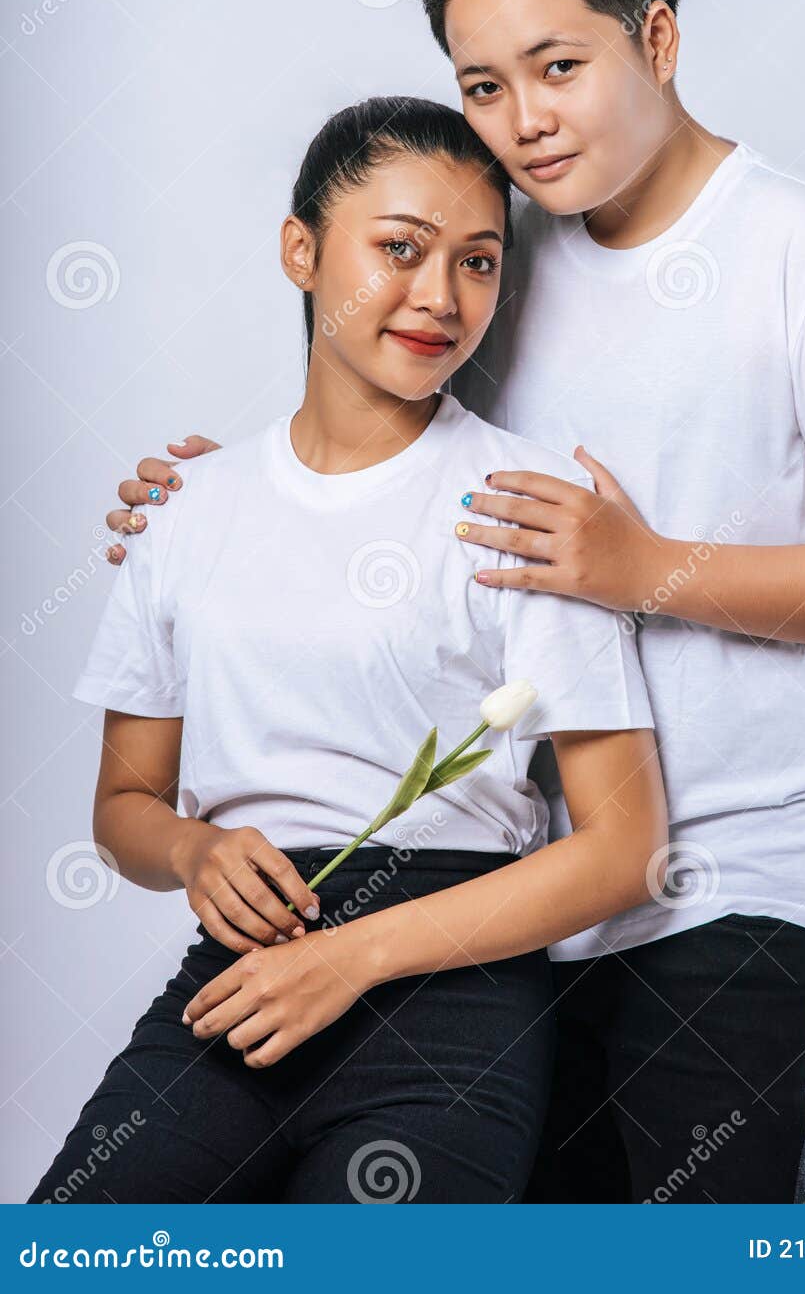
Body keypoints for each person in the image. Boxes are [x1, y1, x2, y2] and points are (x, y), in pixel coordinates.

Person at [103, 0, 805, 1204]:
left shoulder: (802, 254)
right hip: (513, 914)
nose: (521, 121)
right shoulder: (503, 256)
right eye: (480, 84)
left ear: (658, 38)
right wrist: (215, 492)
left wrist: (652, 572)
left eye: (556, 65)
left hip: (737, 901)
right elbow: (392, 436)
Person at [30, 96, 665, 1205]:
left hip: (455, 996)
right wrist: (191, 853)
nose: (440, 297)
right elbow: (124, 806)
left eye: (478, 261)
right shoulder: (186, 506)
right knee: (70, 1253)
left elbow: (622, 848)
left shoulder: (520, 506)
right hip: (245, 975)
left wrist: (355, 955)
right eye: (400, 248)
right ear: (301, 250)